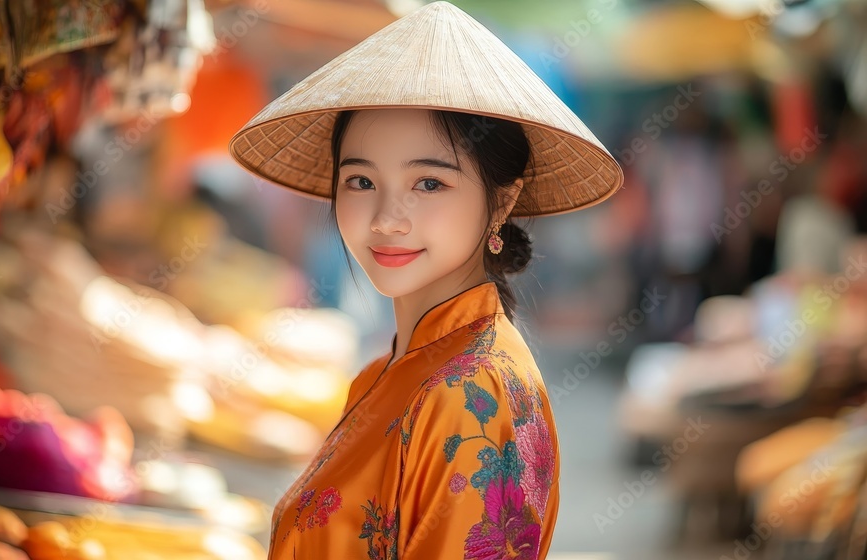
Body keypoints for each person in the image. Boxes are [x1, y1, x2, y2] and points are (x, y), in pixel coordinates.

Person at [229, 3, 623, 558]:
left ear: (501, 201)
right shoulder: (382, 373)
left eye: (429, 184)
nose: (387, 218)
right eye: (361, 181)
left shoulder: (473, 394)